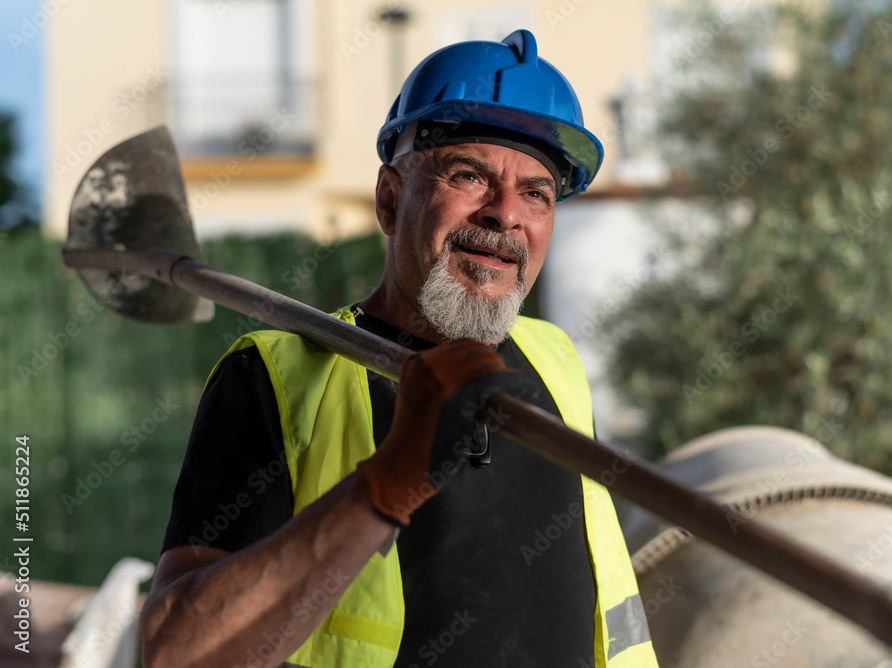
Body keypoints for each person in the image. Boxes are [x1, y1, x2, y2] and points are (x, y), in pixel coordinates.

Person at [140, 29, 658, 668]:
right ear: (390, 199)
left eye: (537, 193)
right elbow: (178, 653)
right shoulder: (276, 378)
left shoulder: (555, 358)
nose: (505, 215)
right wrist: (387, 484)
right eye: (470, 175)